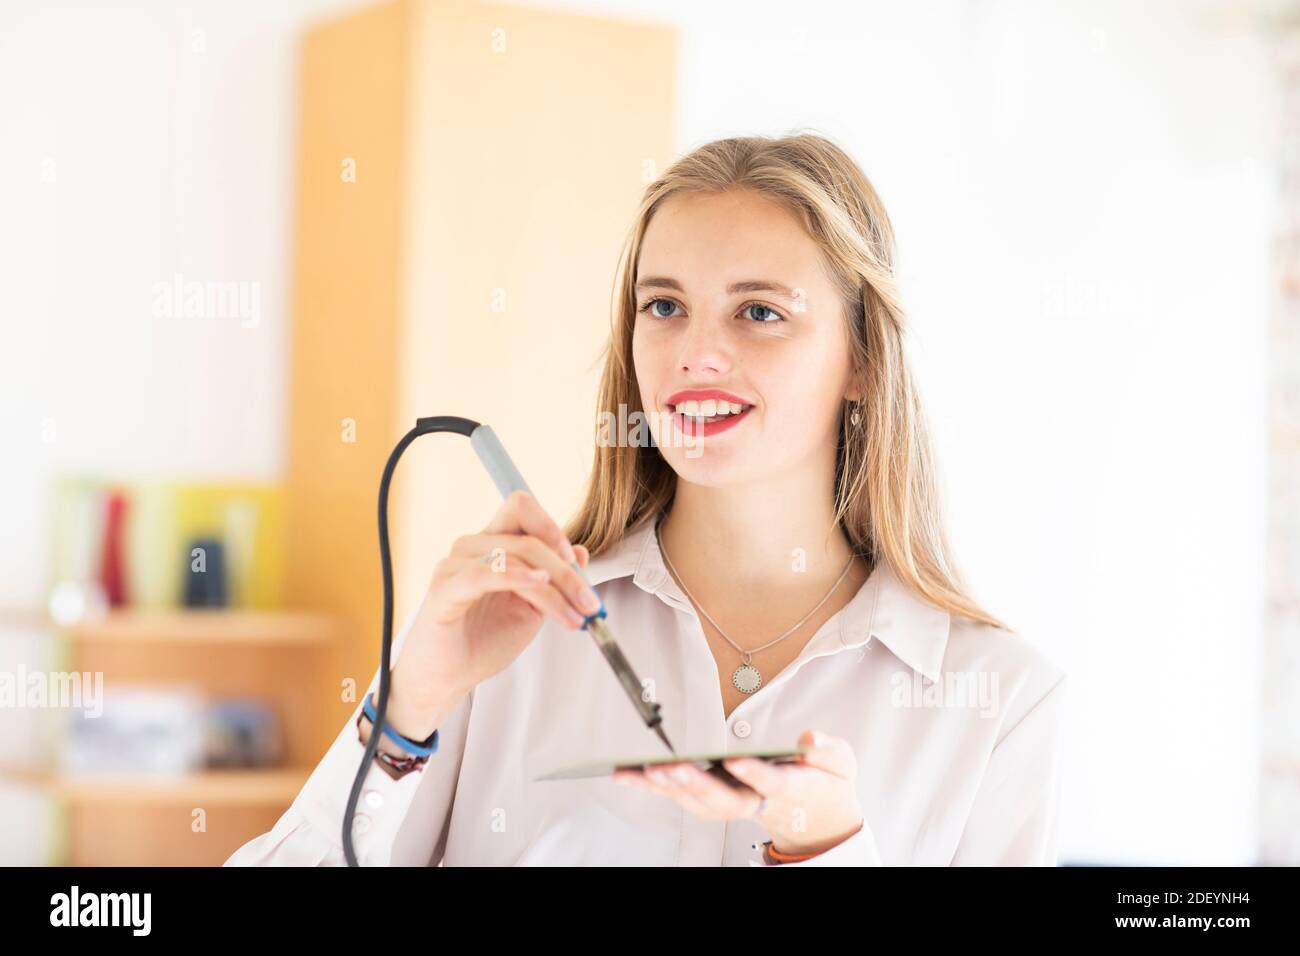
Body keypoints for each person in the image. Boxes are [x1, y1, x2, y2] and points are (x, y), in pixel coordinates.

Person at [225, 132, 1066, 867]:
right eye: (664, 306)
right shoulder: (503, 636)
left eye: (760, 312)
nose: (696, 354)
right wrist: (408, 707)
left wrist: (824, 847)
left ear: (864, 361)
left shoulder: (997, 701)